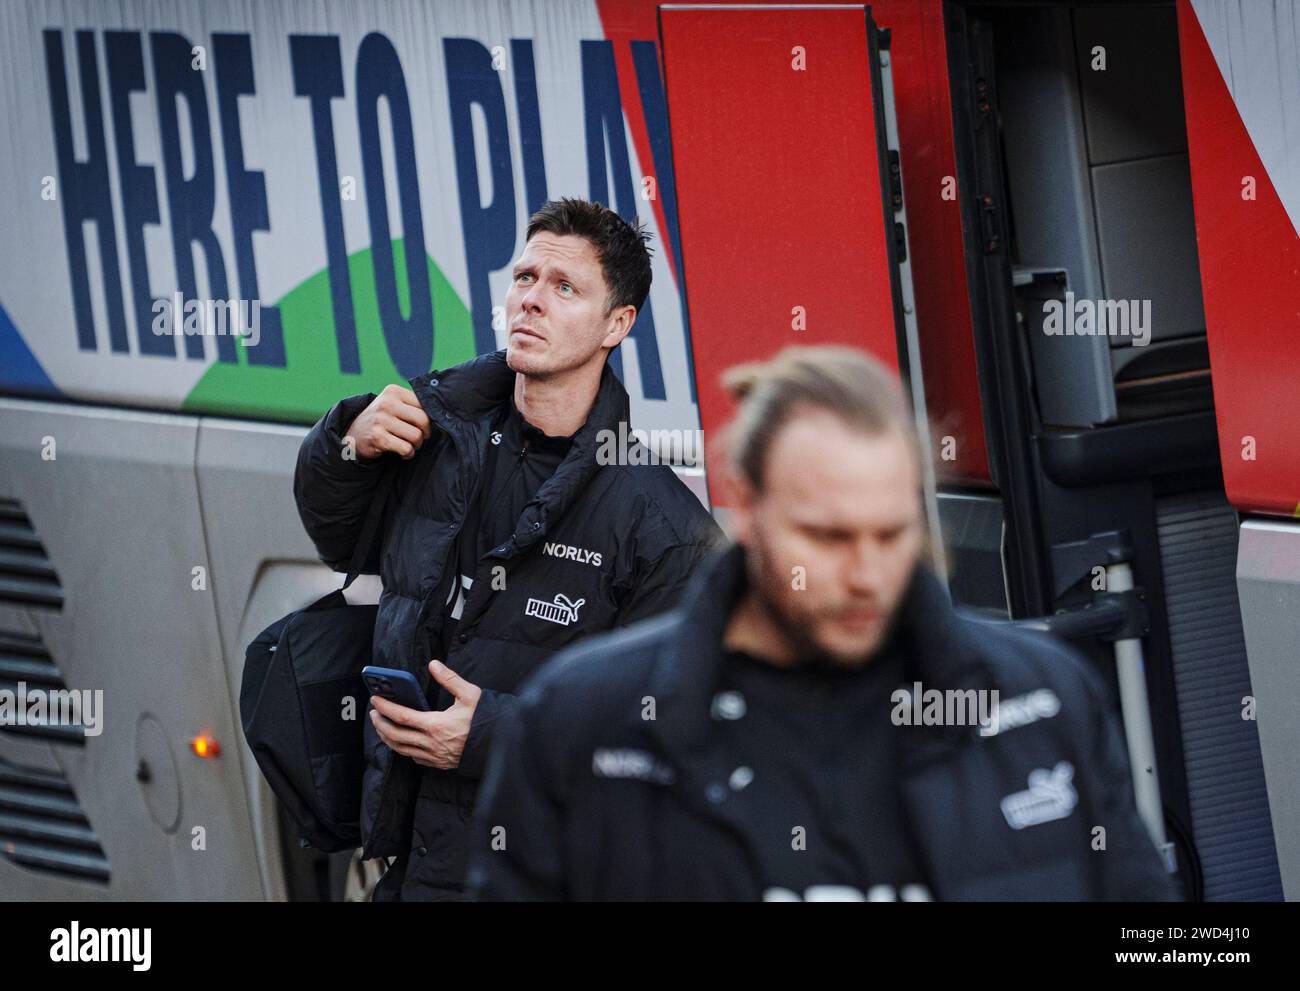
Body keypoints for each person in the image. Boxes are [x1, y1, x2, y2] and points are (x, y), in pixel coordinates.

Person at [467, 346, 1179, 901]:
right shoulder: (585, 719)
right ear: (745, 503)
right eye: (829, 538)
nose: (867, 573)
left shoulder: (1041, 698)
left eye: (892, 533)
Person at [293, 198, 721, 901]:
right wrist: (346, 443)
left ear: (619, 324)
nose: (531, 300)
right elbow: (337, 538)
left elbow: (675, 737)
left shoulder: (666, 528)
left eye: (564, 287)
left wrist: (497, 736)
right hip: (400, 863)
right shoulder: (432, 436)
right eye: (524, 277)